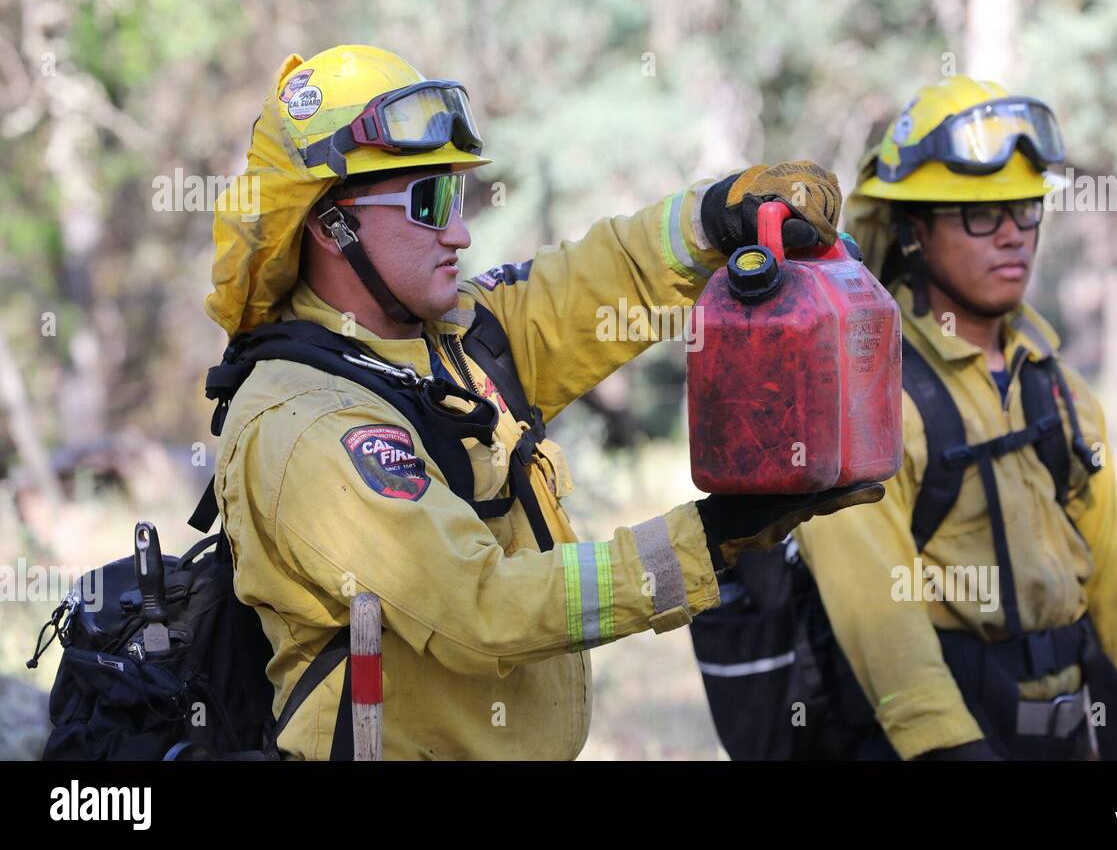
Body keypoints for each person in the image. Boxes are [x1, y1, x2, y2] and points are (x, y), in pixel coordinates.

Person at [205, 44, 876, 759]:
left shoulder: (455, 339)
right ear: (329, 225)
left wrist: (719, 218)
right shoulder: (304, 424)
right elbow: (482, 604)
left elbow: (601, 281)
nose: (459, 232)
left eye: (457, 198)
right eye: (429, 202)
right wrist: (712, 536)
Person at [794, 75, 1117, 760]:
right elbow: (875, 610)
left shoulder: (1062, 392)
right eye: (980, 215)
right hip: (943, 731)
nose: (1013, 235)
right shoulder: (865, 405)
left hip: (1072, 727)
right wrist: (942, 745)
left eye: (1023, 209)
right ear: (913, 229)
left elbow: (1111, 569)